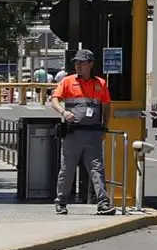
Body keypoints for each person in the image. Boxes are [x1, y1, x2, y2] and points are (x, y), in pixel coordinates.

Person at [48, 49, 112, 215]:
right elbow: (54, 100)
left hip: (93, 134)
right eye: (76, 62)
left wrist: (105, 127)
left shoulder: (100, 84)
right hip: (72, 134)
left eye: (81, 62)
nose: (78, 65)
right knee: (67, 169)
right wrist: (63, 112)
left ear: (90, 64)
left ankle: (103, 203)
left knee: (97, 169)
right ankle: (61, 202)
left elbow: (106, 106)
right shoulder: (67, 82)